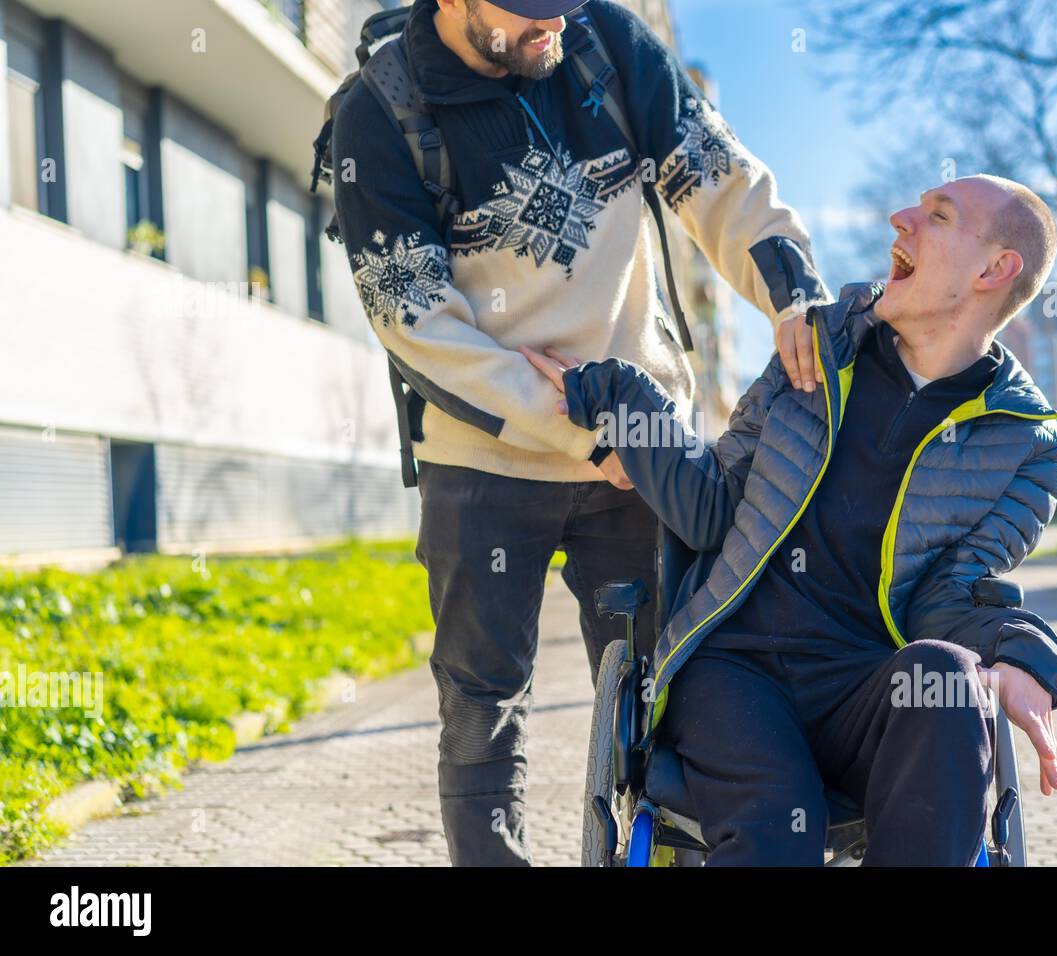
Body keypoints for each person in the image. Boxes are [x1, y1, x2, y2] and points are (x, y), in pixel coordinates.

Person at [331, 0, 831, 866]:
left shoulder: (609, 42)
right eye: (525, 13)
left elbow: (722, 184)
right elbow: (418, 326)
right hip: (485, 459)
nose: (551, 27)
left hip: (642, 447)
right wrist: (582, 434)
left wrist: (793, 288)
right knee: (481, 707)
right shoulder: (376, 115)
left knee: (671, 692)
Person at [525, 174, 1057, 865]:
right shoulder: (815, 352)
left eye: (937, 216)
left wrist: (1021, 653)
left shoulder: (1025, 446)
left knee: (950, 678)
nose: (900, 218)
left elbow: (951, 594)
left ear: (996, 269)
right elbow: (713, 508)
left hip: (862, 688)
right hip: (735, 670)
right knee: (780, 822)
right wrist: (620, 398)